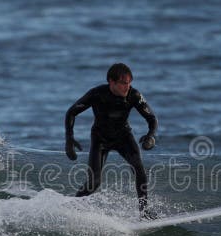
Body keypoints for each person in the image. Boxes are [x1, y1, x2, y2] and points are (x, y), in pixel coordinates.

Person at [65, 63, 158, 218]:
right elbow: (71, 112)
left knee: (139, 169)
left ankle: (144, 211)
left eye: (129, 83)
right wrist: (69, 139)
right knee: (94, 182)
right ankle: (71, 209)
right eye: (123, 83)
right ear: (111, 82)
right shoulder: (97, 94)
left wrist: (150, 135)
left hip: (124, 137)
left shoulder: (134, 95)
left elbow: (152, 118)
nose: (127, 87)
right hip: (100, 139)